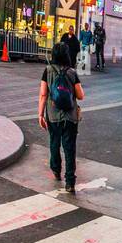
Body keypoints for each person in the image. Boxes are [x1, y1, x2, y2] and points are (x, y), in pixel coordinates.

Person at [38, 42, 84, 194]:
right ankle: (70, 182)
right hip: (70, 116)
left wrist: (40, 114)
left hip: (53, 115)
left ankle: (56, 170)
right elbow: (80, 95)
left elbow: (43, 94)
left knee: (54, 143)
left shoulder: (48, 70)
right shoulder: (72, 72)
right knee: (70, 148)